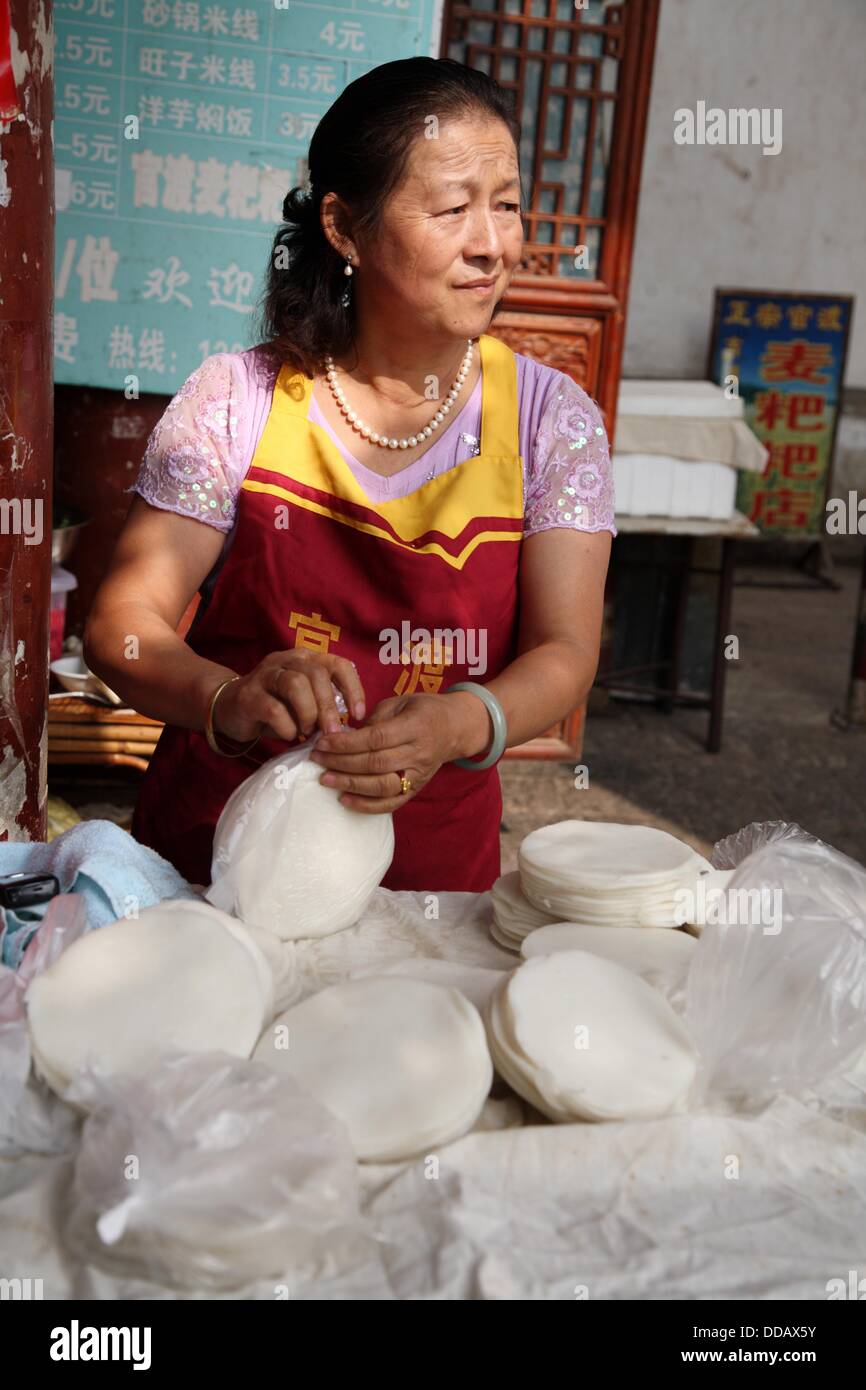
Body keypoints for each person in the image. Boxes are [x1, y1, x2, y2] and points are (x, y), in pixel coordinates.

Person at [85, 57, 616, 893]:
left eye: (507, 205)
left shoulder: (552, 422)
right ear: (344, 227)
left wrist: (458, 720)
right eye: (452, 209)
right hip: (214, 868)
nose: (493, 245)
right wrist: (227, 698)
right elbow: (123, 623)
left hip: (430, 887)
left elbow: (566, 650)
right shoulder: (240, 399)